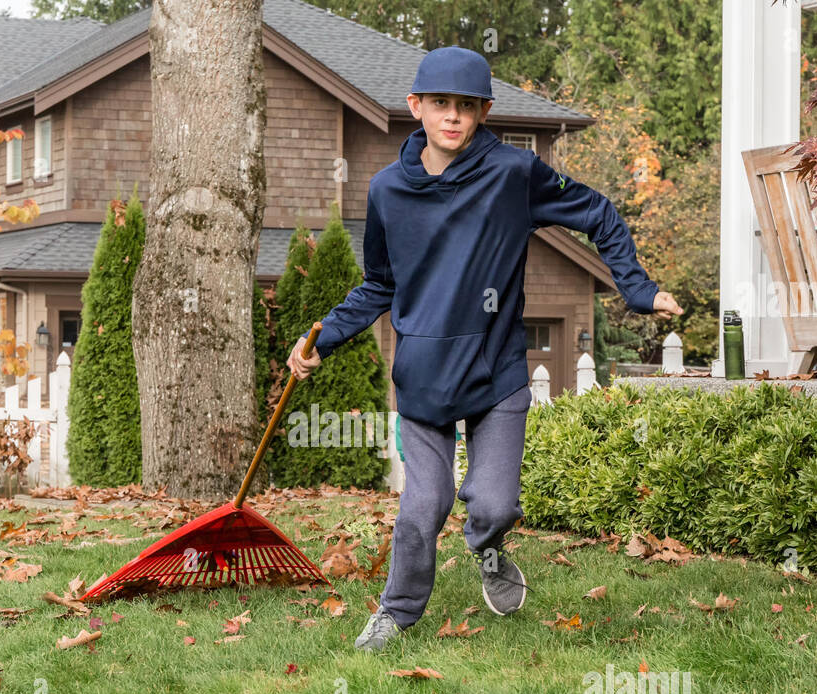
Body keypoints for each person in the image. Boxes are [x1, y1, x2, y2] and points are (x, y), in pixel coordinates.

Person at [287, 46, 682, 652]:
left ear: (484, 111)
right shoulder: (388, 191)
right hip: (423, 375)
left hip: (496, 372)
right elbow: (380, 285)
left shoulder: (512, 176)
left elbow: (598, 213)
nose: (453, 116)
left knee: (495, 504)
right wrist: (324, 337)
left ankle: (489, 548)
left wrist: (638, 289)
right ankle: (395, 613)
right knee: (425, 505)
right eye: (440, 104)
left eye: (466, 106)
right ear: (415, 107)